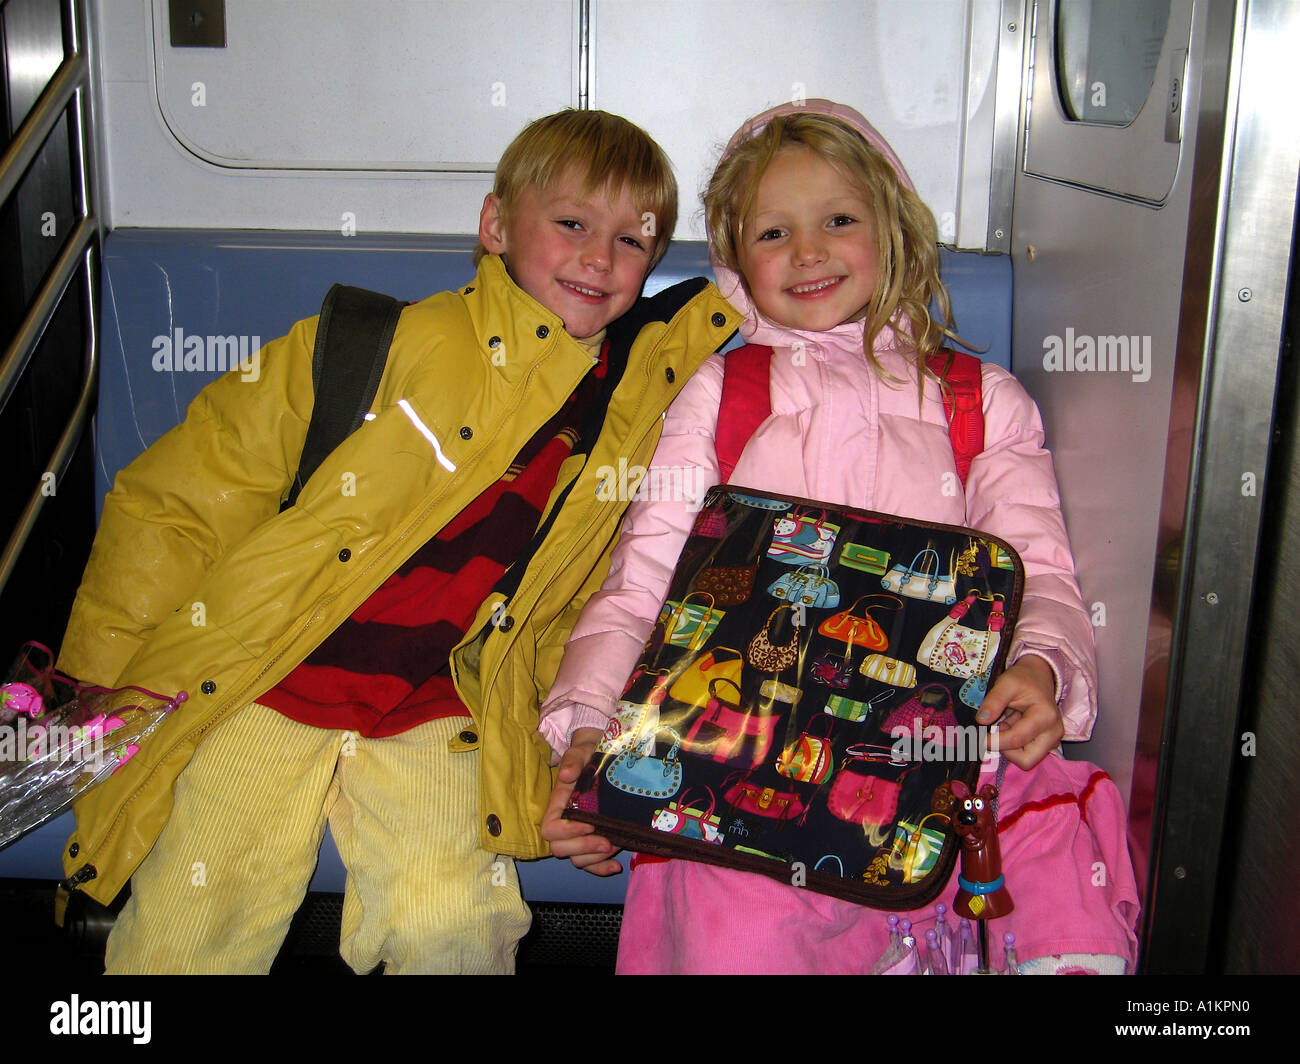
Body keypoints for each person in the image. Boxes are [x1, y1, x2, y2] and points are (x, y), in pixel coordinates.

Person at [54, 109, 738, 974]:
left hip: (443, 708)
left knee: (450, 925)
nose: (601, 259)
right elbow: (178, 503)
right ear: (496, 227)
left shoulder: (624, 405)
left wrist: (584, 765)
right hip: (270, 675)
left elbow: (588, 603)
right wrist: (101, 689)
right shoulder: (371, 347)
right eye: (571, 224)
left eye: (635, 242)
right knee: (195, 920)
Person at [540, 100, 1139, 974]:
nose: (810, 251)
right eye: (775, 233)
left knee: (1051, 870)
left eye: (839, 221)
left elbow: (1039, 570)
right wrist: (592, 732)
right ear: (737, 262)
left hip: (935, 740)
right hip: (748, 743)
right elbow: (647, 582)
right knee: (738, 921)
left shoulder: (979, 399)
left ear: (891, 229)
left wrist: (1042, 665)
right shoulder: (721, 395)